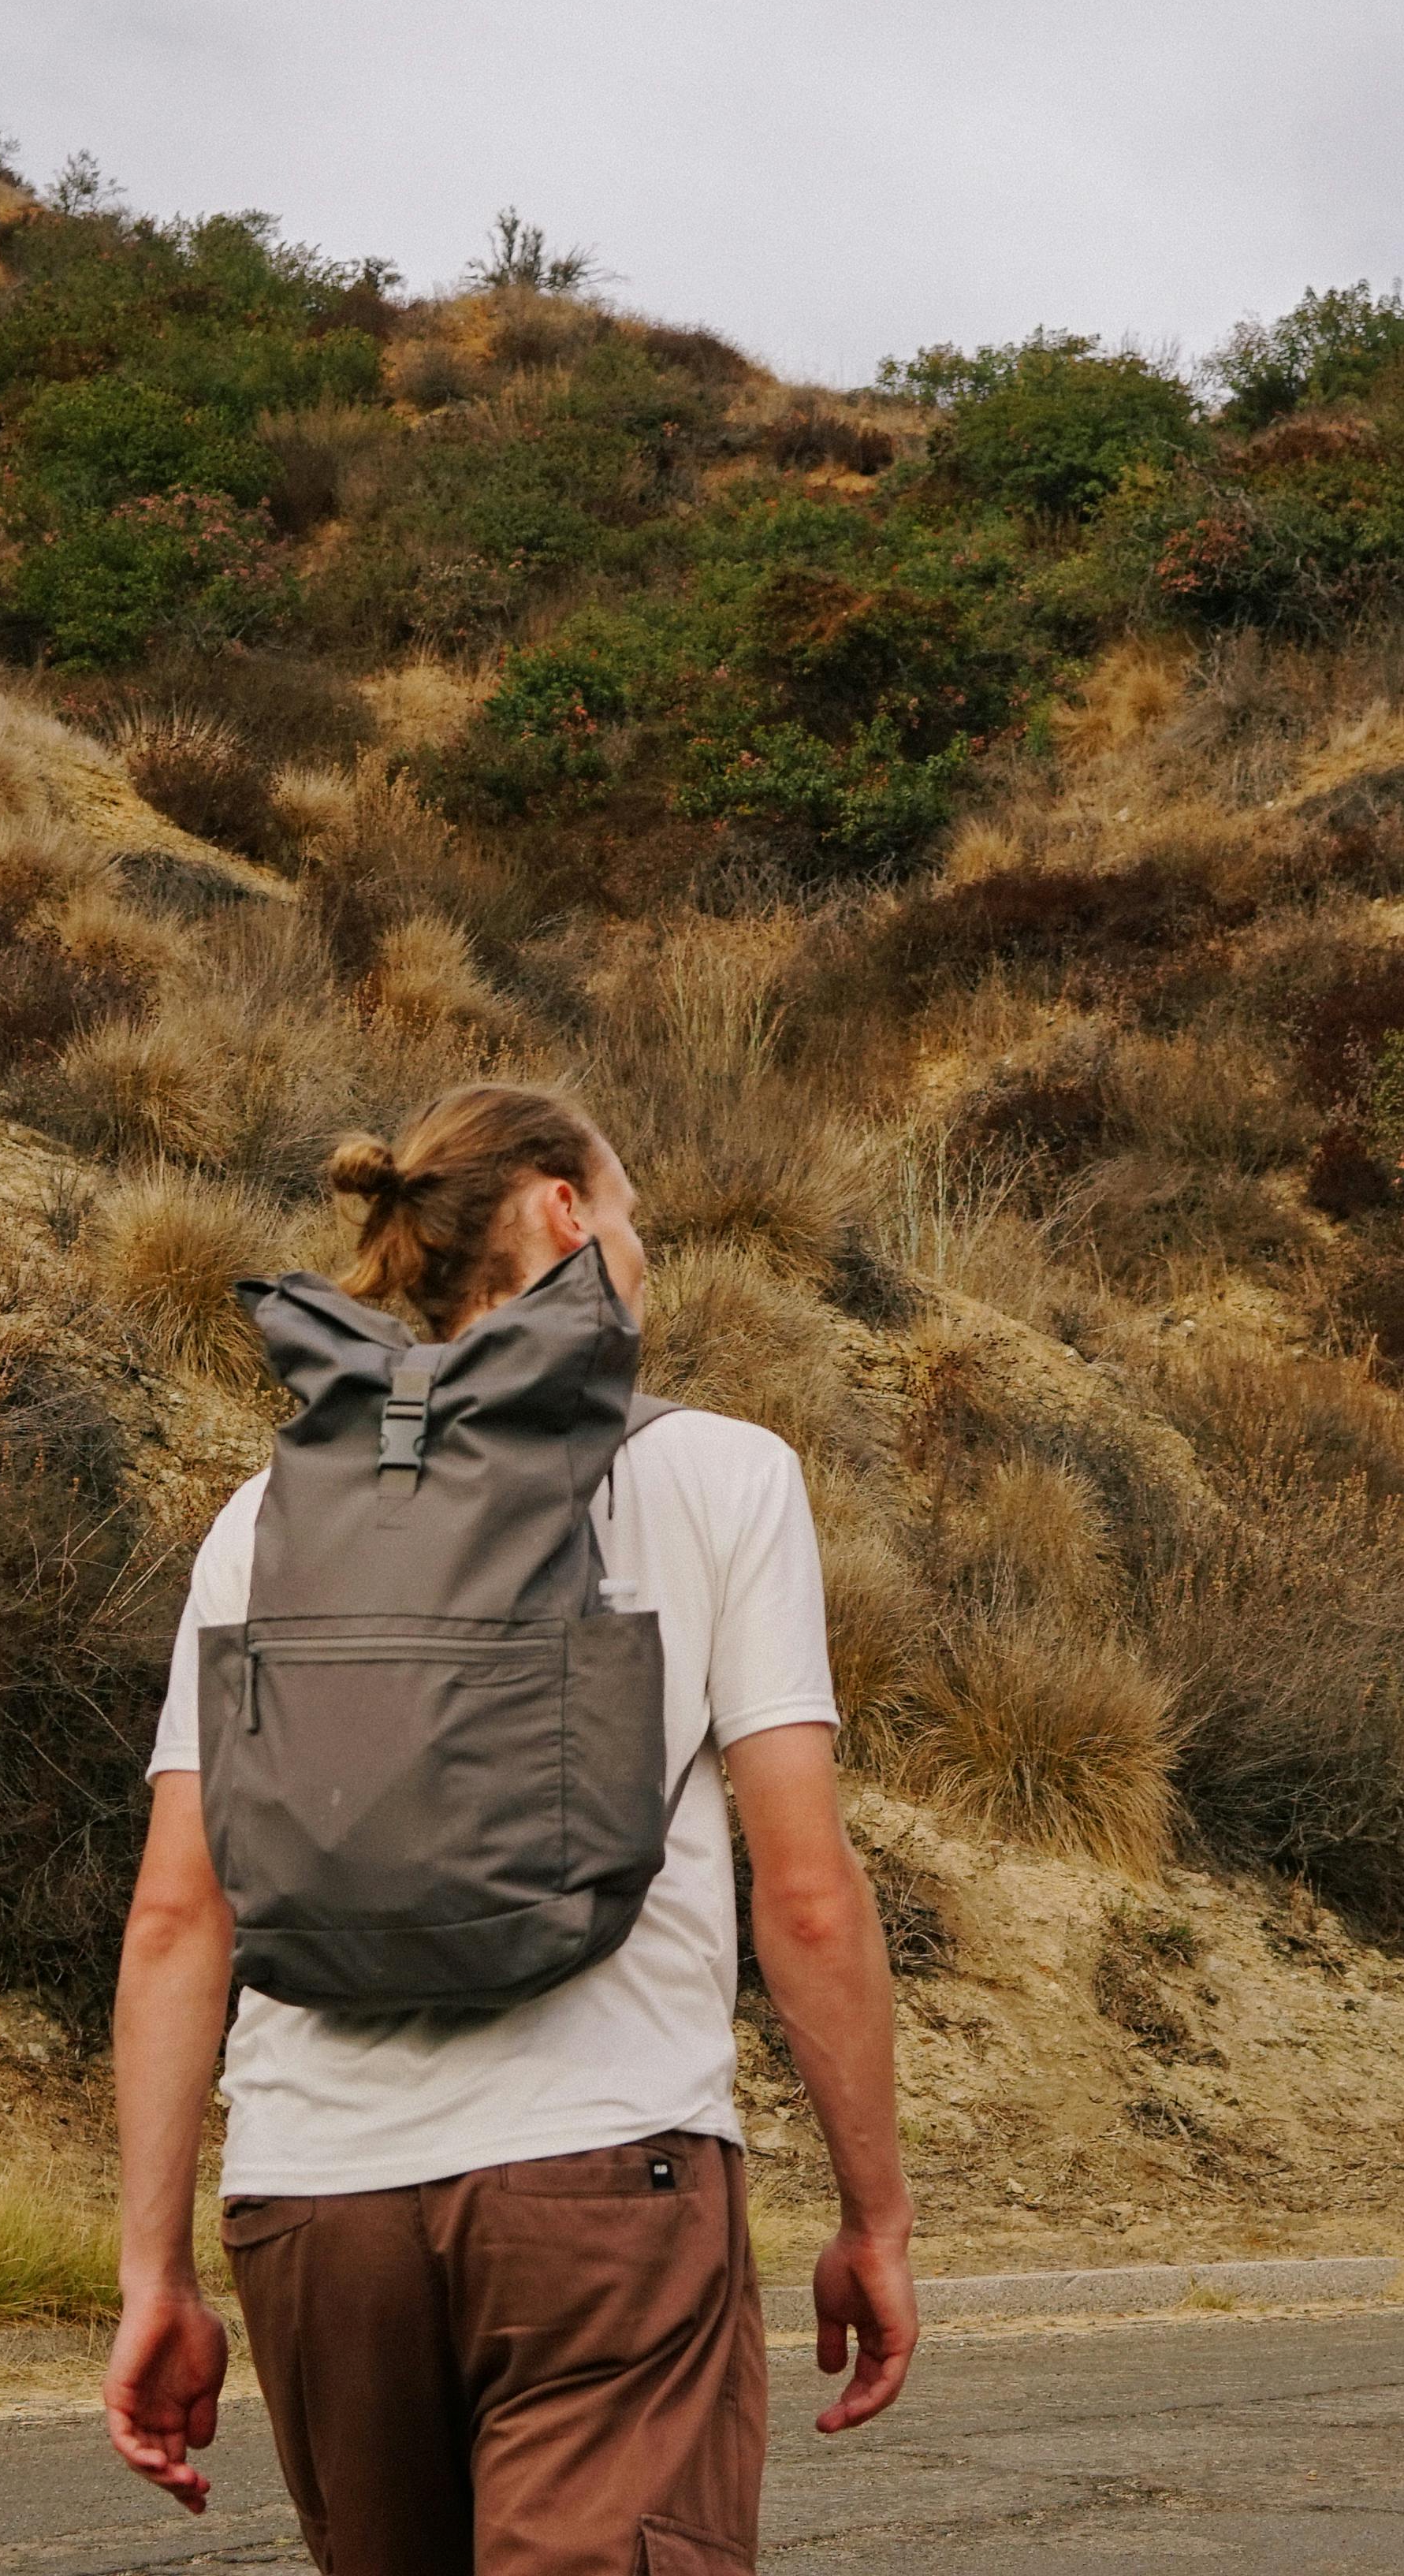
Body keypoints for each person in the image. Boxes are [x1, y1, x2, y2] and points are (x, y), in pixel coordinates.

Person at [102, 1082, 918, 2573]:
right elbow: (806, 1896)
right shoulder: (722, 1477)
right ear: (562, 1209)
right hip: (603, 2185)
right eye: (632, 1226)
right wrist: (878, 2218)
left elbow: (176, 1917)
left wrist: (150, 2269)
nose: (643, 1262)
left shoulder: (260, 1521)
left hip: (311, 2202)